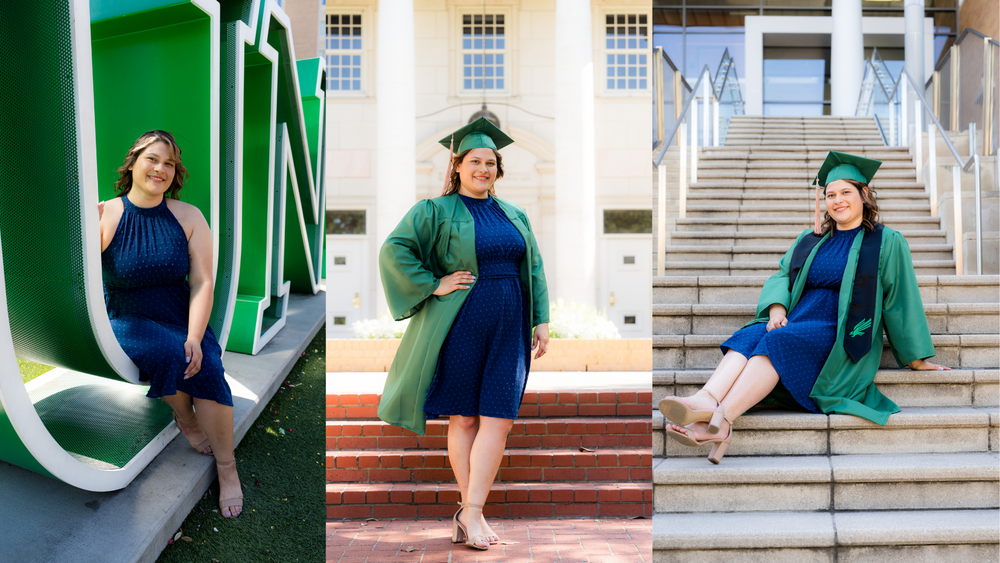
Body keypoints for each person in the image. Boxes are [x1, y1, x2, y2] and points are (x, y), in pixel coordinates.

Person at [658, 151, 949, 464]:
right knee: (754, 332)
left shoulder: (887, 241)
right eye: (830, 194)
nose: (837, 200)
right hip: (797, 319)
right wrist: (776, 311)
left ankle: (721, 420)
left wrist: (917, 359)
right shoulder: (811, 240)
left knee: (778, 340)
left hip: (838, 331)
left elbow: (900, 298)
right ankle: (705, 400)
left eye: (846, 193)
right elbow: (782, 275)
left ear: (864, 195)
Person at [378, 117, 549, 550]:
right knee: (465, 417)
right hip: (462, 322)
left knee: (499, 417)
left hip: (510, 322)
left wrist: (541, 319)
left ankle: (469, 511)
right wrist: (432, 283)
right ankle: (472, 513)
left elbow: (534, 267)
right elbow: (394, 249)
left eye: (491, 163)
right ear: (457, 166)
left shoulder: (514, 214)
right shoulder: (434, 210)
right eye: (475, 161)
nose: (484, 169)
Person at [99, 130, 243, 517]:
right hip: (128, 317)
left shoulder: (189, 216)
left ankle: (227, 470)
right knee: (170, 354)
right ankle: (185, 418)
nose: (160, 168)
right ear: (132, 162)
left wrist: (196, 335)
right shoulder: (102, 214)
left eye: (168, 163)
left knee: (206, 363)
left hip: (180, 314)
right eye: (152, 158)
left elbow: (202, 281)